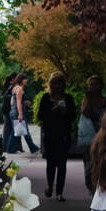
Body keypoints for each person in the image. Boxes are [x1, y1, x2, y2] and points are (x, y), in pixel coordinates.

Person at [38, 71, 76, 200]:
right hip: (50, 134)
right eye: (55, 82)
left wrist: (64, 111)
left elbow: (73, 116)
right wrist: (51, 111)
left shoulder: (68, 98)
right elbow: (40, 116)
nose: (57, 85)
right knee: (51, 163)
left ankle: (60, 192)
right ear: (51, 84)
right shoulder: (45, 98)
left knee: (62, 164)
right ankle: (50, 185)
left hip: (63, 134)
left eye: (60, 82)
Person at [79, 75, 106, 193]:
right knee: (89, 162)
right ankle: (91, 185)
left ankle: (101, 184)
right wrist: (88, 98)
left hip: (104, 135)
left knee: (103, 161)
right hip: (90, 137)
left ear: (101, 86)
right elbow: (84, 112)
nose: (93, 87)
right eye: (91, 84)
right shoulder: (87, 100)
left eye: (96, 84)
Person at [9, 72, 39, 155]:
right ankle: (33, 148)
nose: (26, 80)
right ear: (21, 80)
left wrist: (24, 102)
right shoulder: (20, 89)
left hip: (12, 112)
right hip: (17, 113)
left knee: (14, 132)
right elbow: (18, 102)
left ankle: (10, 149)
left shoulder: (14, 88)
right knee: (25, 131)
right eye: (25, 79)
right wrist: (20, 114)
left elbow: (12, 102)